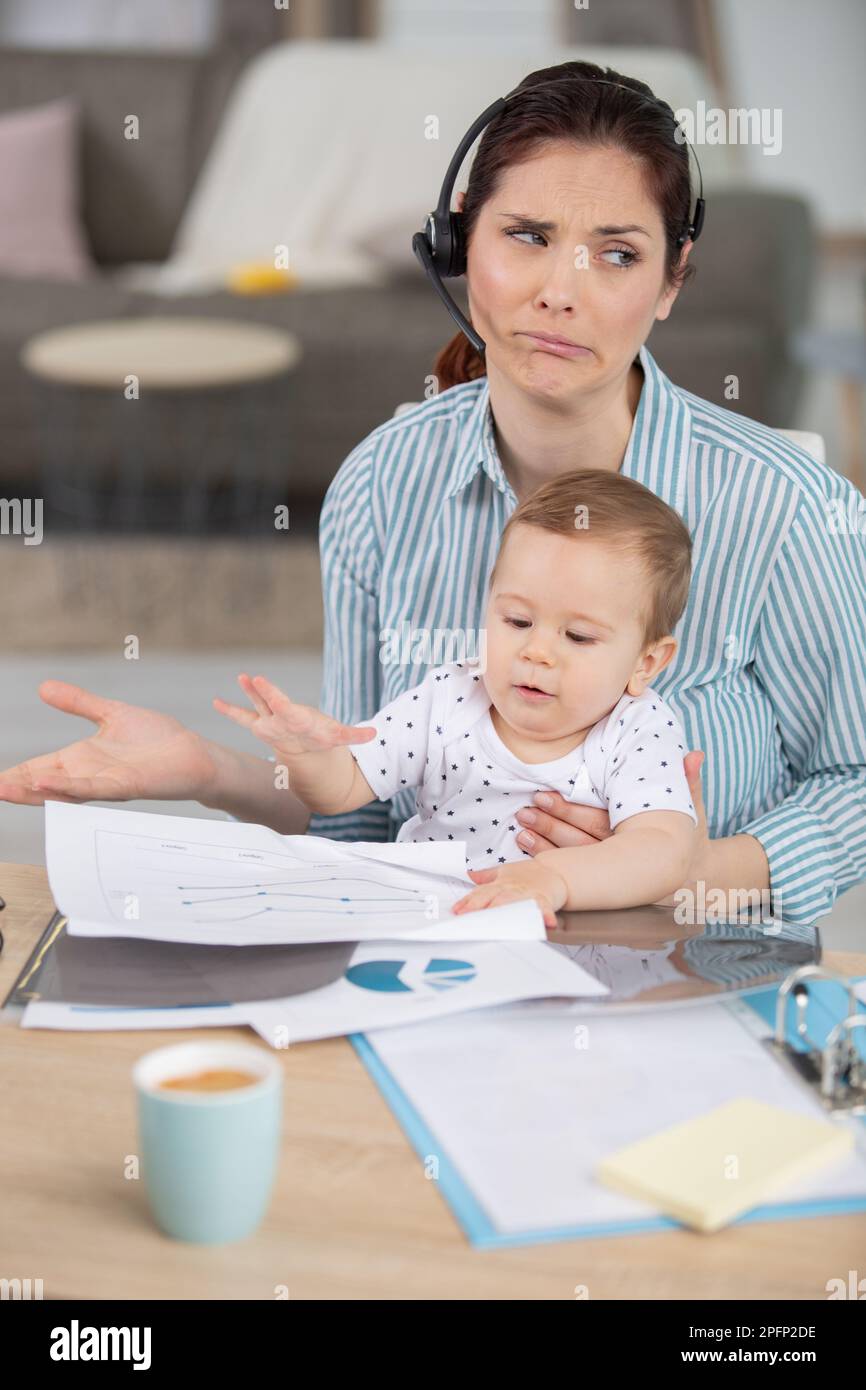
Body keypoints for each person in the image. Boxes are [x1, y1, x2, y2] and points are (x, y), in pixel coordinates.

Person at [2, 59, 864, 927]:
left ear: (673, 278)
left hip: (695, 978)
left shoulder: (789, 511)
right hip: (444, 970)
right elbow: (366, 817)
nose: (560, 292)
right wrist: (203, 770)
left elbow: (858, 787)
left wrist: (670, 868)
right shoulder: (382, 485)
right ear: (458, 248)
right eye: (527, 236)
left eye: (617, 254)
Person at [211, 468, 699, 927]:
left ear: (647, 663)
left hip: (569, 939)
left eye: (577, 636)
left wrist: (556, 880)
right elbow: (342, 789)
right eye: (517, 622)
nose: (537, 652)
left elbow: (663, 851)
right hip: (429, 920)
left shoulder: (638, 730)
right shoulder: (452, 696)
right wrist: (304, 756)